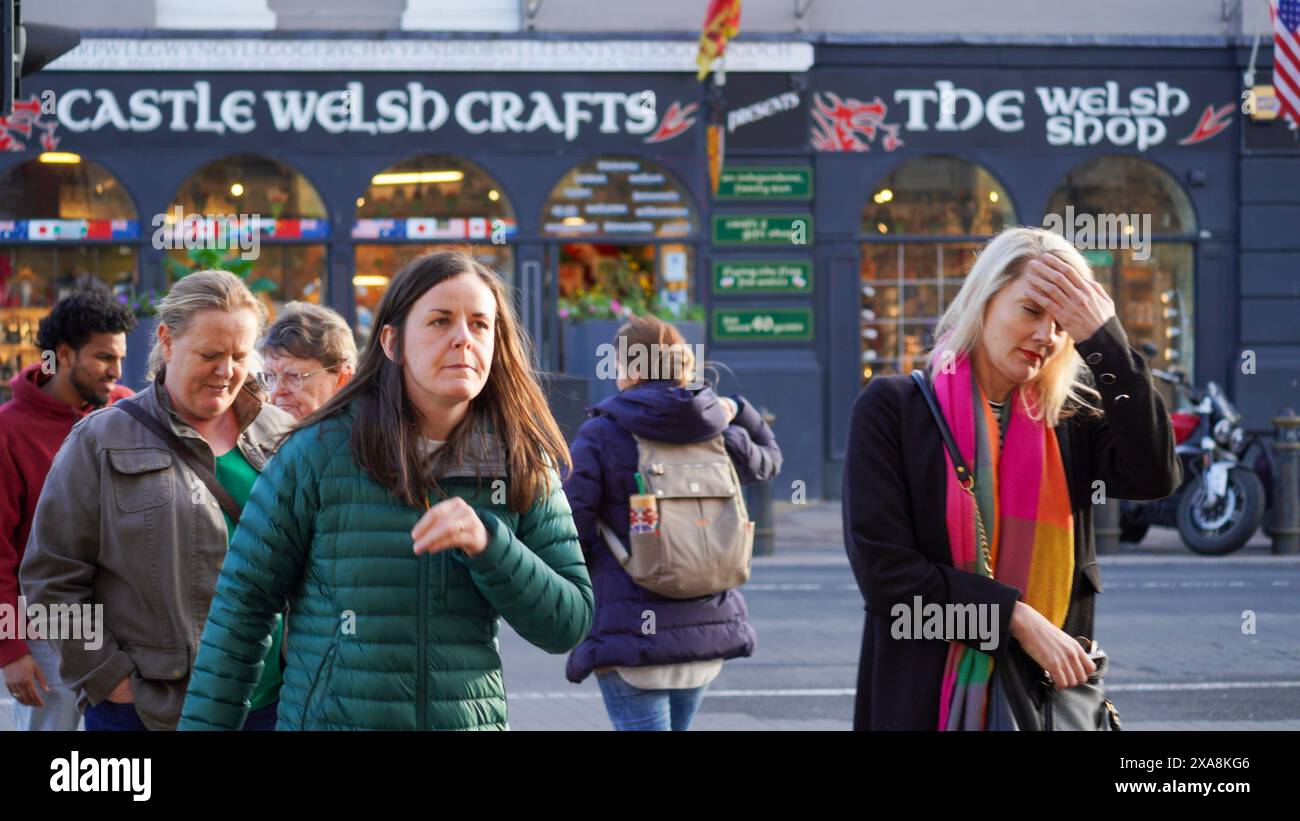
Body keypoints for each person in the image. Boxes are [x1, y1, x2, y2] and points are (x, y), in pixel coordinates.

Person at [178, 250, 593, 730]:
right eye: (440, 321)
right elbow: (241, 613)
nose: (463, 339)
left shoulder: (520, 459)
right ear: (393, 342)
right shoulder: (319, 451)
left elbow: (569, 623)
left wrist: (490, 545)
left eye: (481, 325)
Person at [843, 226, 1181, 730]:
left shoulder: (1071, 422)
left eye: (1063, 323)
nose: (1046, 335)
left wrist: (1106, 342)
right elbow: (887, 579)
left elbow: (1155, 474)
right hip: (924, 696)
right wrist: (1014, 619)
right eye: (1030, 311)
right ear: (984, 301)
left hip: (1041, 701)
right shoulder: (894, 409)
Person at [20, 270, 294, 731]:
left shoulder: (283, 434)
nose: (226, 371)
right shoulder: (99, 441)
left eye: (240, 355)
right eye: (209, 354)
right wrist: (112, 681)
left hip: (272, 705)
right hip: (151, 713)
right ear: (166, 340)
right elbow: (51, 580)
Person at [563, 315, 780, 730]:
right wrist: (739, 408)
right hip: (705, 631)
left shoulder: (603, 432)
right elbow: (770, 461)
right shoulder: (715, 428)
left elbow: (572, 526)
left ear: (636, 369)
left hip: (630, 636)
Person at [1, 290, 136, 730]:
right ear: (63, 354)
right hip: (46, 623)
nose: (115, 371)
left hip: (125, 620)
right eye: (102, 358)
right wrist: (11, 649)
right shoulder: (9, 430)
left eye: (119, 357)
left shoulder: (128, 410)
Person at [257, 301, 357, 420]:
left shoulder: (366, 433)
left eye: (294, 376)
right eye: (271, 376)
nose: (277, 390)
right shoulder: (256, 432)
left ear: (342, 378)